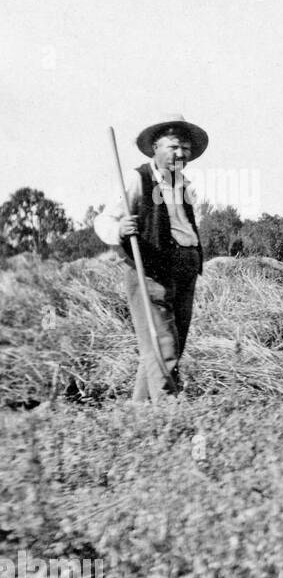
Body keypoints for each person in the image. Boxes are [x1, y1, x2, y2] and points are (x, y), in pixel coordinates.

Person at [94, 114, 207, 401]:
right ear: (155, 147)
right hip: (150, 270)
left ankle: (140, 410)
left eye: (186, 148)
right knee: (163, 345)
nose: (181, 153)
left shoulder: (184, 184)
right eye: (173, 146)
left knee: (170, 346)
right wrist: (119, 228)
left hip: (185, 267)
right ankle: (168, 411)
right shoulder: (137, 178)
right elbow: (105, 219)